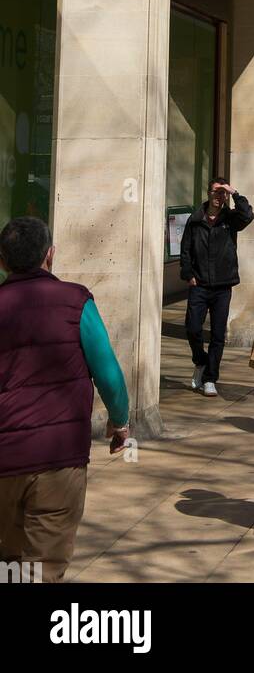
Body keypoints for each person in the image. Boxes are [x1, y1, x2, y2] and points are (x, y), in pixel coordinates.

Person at [0, 217, 129, 583]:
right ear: (50, 255)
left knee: (9, 563)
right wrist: (120, 424)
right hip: (57, 461)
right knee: (42, 569)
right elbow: (108, 373)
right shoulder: (76, 301)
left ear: (2, 261)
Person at [180, 176, 254, 398]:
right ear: (208, 193)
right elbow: (185, 249)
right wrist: (188, 274)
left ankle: (211, 378)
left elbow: (248, 215)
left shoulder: (230, 219)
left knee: (218, 334)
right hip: (199, 284)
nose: (219, 196)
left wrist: (235, 192)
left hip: (223, 286)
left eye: (222, 193)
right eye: (216, 191)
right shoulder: (195, 219)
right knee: (192, 328)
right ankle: (200, 361)